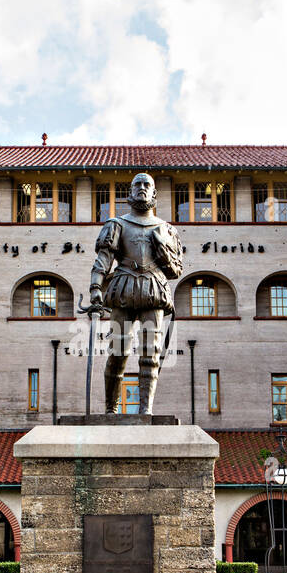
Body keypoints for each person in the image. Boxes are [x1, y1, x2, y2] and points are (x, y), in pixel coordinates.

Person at [89, 171, 183, 414]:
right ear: (130, 192)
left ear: (154, 193)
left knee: (150, 355)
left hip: (154, 290)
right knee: (118, 353)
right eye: (137, 184)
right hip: (124, 289)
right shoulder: (117, 224)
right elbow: (103, 260)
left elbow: (175, 270)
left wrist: (163, 250)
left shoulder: (166, 229)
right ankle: (111, 408)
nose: (141, 188)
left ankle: (145, 410)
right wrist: (96, 287)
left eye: (146, 184)